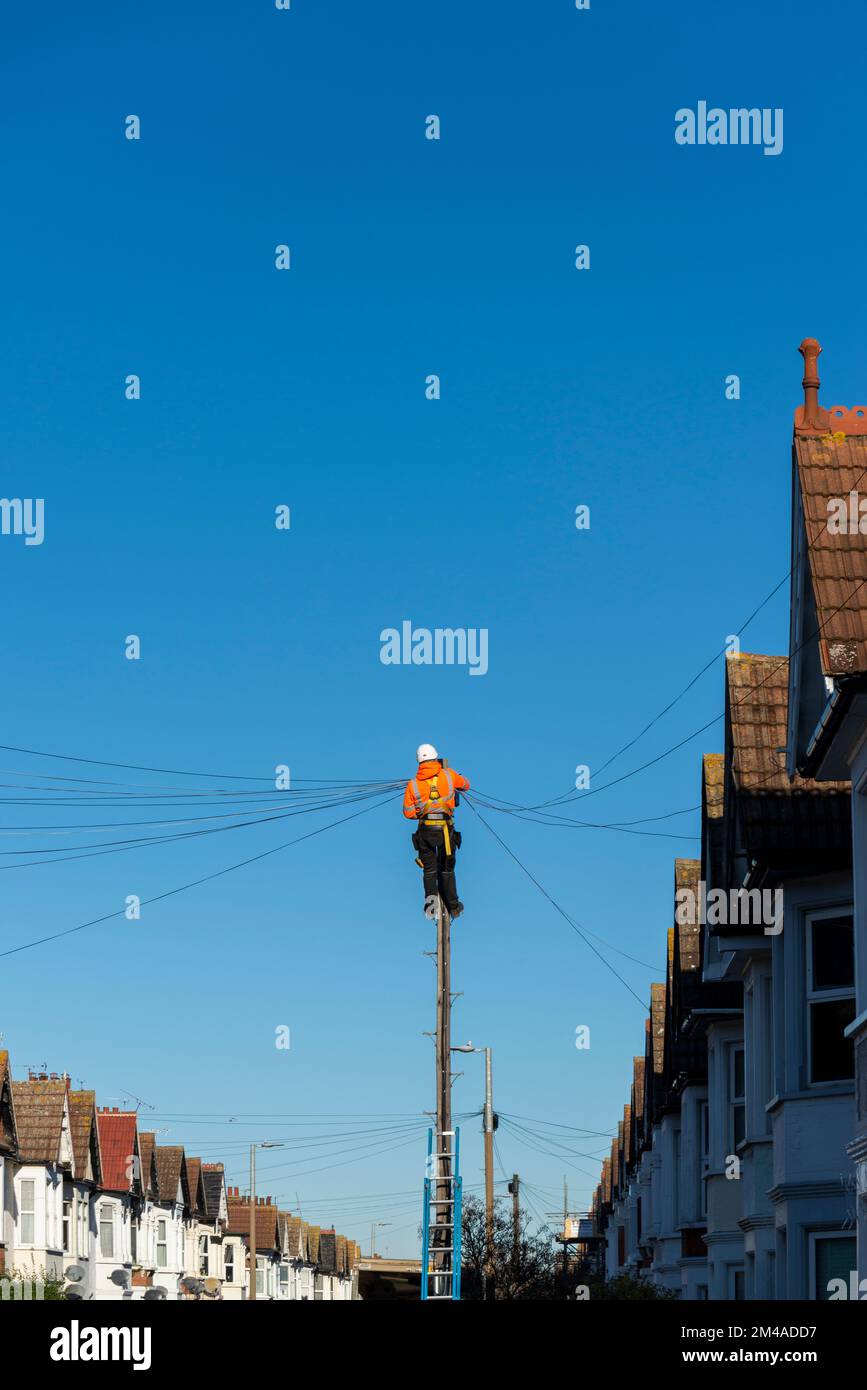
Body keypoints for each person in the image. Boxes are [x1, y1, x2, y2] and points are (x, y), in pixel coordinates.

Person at [403, 743, 470, 920]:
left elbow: (408, 812)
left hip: (425, 830)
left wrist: (423, 811)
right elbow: (466, 785)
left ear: (419, 761)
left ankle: (431, 907)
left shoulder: (413, 784)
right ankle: (454, 907)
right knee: (447, 868)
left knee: (430, 870)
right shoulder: (449, 775)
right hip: (445, 829)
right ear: (435, 758)